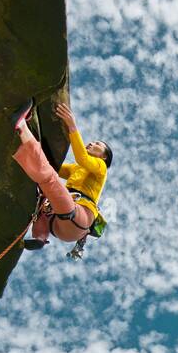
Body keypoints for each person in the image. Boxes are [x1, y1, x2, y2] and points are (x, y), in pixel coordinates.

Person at [10, 99, 111, 254]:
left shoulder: (101, 167)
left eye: (98, 144)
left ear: (104, 157)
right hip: (61, 227)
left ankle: (22, 126)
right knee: (43, 196)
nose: (91, 143)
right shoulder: (76, 169)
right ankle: (40, 237)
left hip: (79, 215)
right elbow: (51, 166)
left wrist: (72, 125)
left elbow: (81, 158)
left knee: (49, 181)